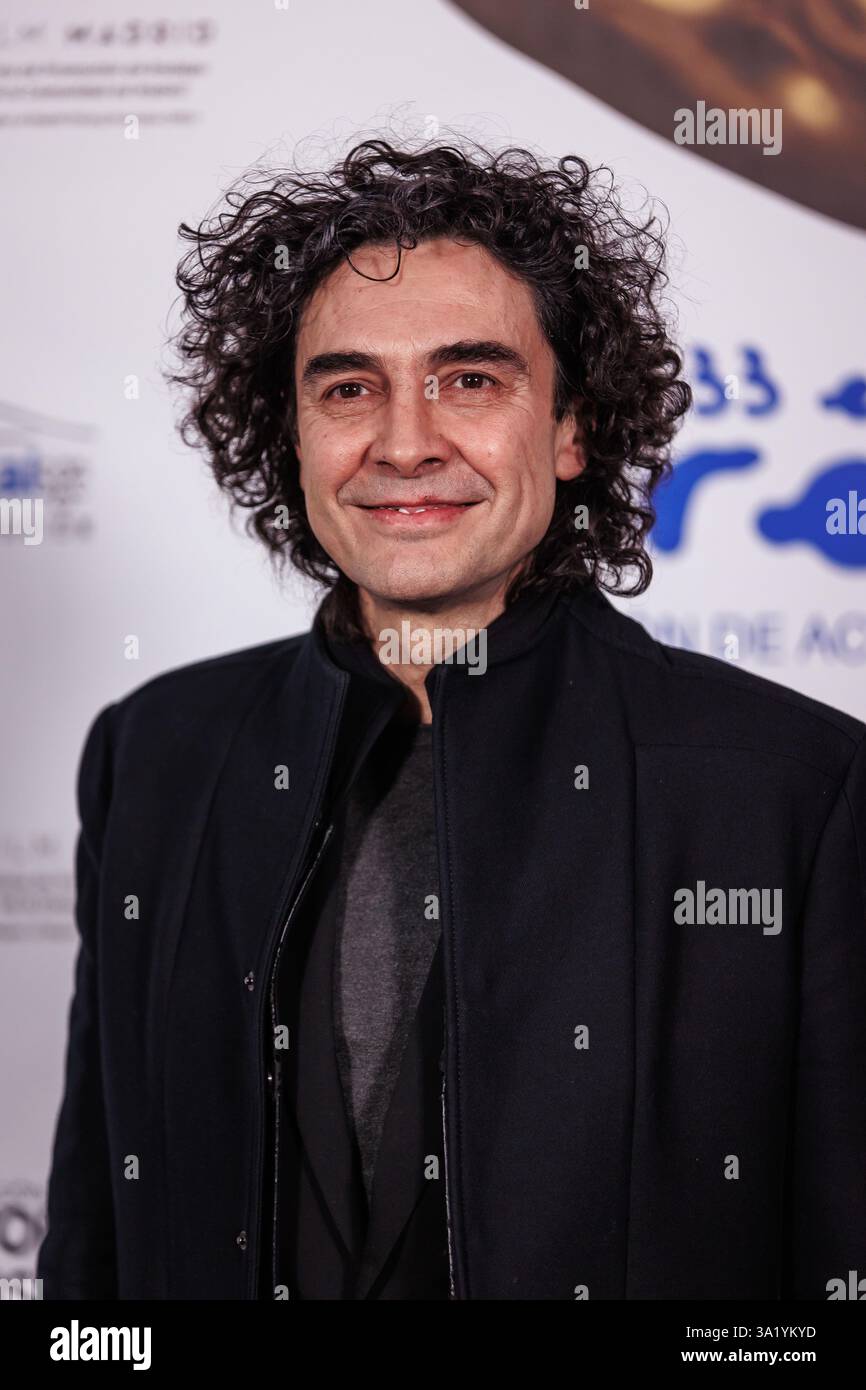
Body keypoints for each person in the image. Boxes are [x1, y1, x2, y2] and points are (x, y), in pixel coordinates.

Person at [37, 139, 866, 1300]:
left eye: (469, 379)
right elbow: (94, 1240)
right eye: (347, 386)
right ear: (291, 434)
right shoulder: (157, 752)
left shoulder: (790, 786)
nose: (405, 441)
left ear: (571, 429)